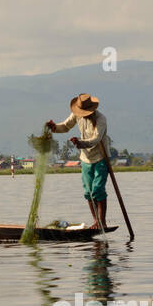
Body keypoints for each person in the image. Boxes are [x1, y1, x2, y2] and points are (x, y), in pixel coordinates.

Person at [47, 94, 111, 230]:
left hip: (100, 158)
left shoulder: (101, 119)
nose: (83, 115)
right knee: (88, 192)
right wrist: (54, 127)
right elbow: (65, 126)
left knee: (98, 189)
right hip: (85, 159)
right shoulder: (77, 115)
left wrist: (81, 142)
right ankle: (96, 221)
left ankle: (102, 222)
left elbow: (96, 139)